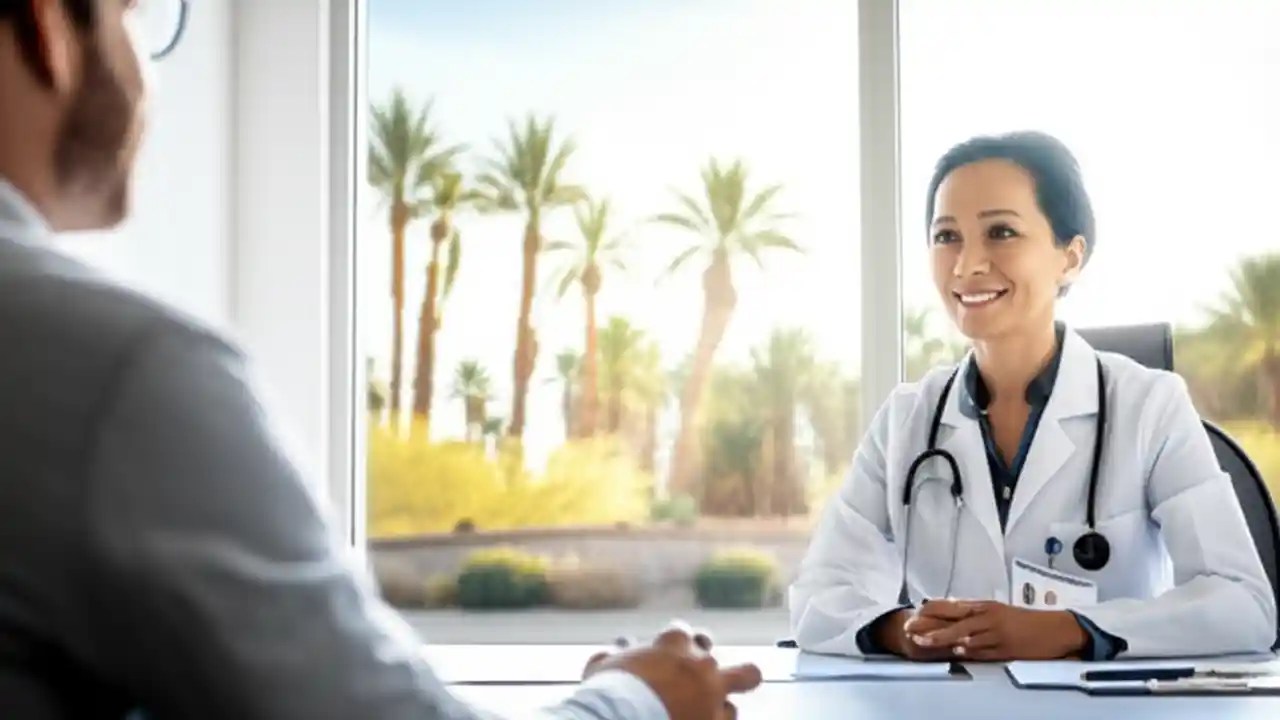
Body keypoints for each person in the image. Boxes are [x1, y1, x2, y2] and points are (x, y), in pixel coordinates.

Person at [0, 1, 761, 717]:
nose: (145, 65)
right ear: (48, 28)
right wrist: (640, 697)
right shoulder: (120, 374)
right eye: (132, 14)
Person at [788, 129, 1277, 662]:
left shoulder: (1150, 406)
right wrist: (899, 630)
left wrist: (1069, 630)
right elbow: (819, 596)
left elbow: (1244, 606)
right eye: (946, 235)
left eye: (1000, 231)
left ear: (1069, 257)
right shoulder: (908, 418)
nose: (966, 264)